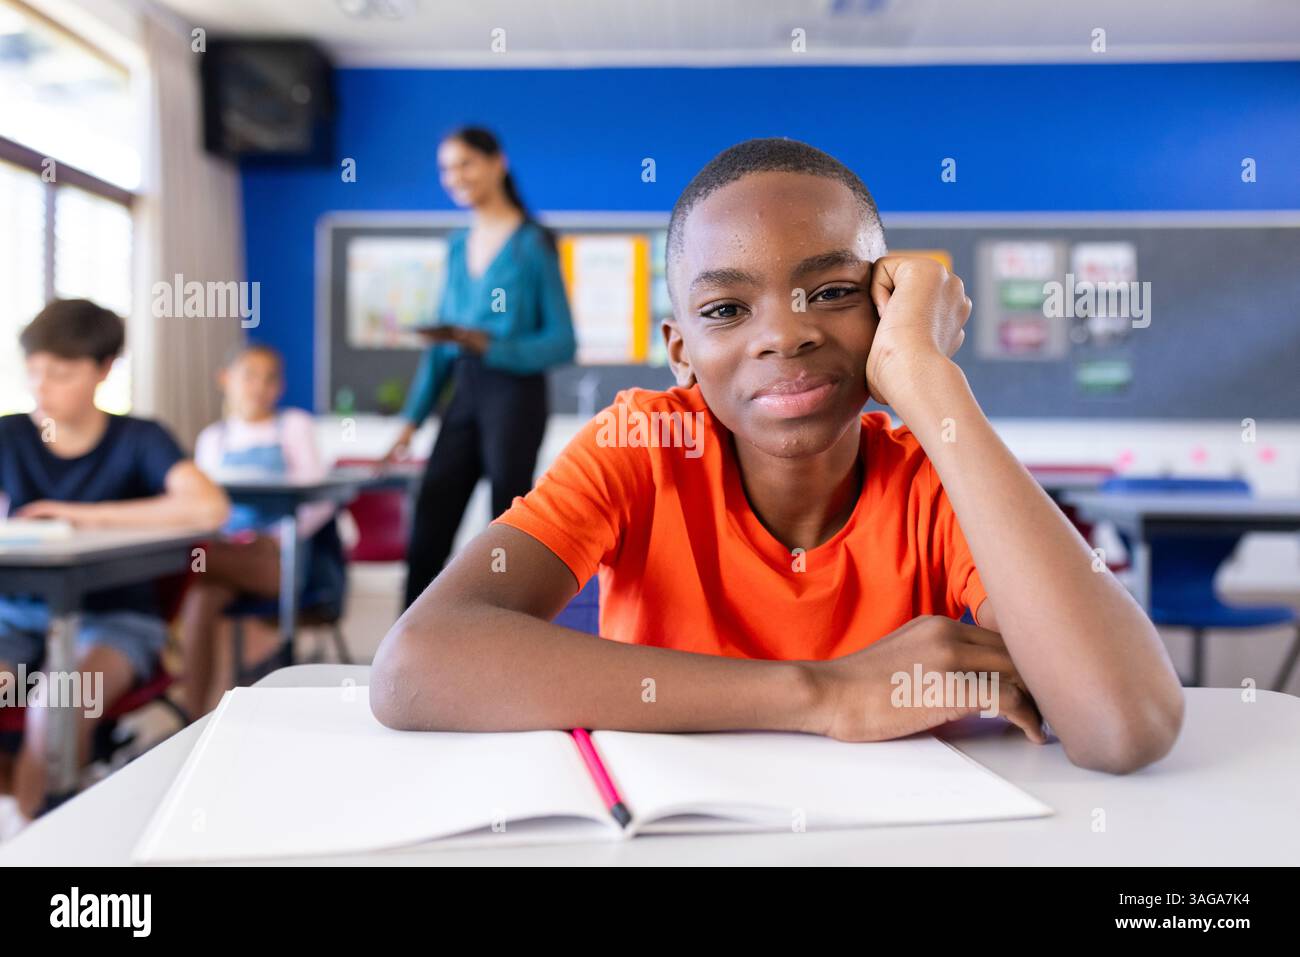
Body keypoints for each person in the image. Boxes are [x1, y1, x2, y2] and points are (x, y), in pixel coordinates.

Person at [369, 138, 1184, 774]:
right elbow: (415, 664)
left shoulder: (934, 475)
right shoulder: (643, 446)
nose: (785, 332)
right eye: (727, 307)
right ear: (680, 352)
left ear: (886, 310)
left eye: (831, 292)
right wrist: (825, 694)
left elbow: (1125, 724)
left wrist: (929, 379)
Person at [0, 299, 228, 819]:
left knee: (55, 708)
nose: (42, 386)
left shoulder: (140, 440)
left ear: (103, 370)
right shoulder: (10, 434)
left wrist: (79, 515)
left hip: (116, 620)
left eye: (60, 374)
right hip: (14, 616)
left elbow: (210, 506)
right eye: (34, 372)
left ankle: (46, 847)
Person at [384, 126, 576, 609]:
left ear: (497, 163)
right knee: (432, 514)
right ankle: (405, 645)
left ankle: (504, 637)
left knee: (504, 521)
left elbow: (562, 342)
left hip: (514, 393)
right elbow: (443, 347)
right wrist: (411, 419)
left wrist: (488, 344)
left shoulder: (532, 243)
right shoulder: (455, 245)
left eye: (465, 163)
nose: (455, 177)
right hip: (463, 390)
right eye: (446, 168)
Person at [182, 343, 340, 716]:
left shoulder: (294, 426)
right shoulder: (212, 439)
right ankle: (193, 720)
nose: (259, 386)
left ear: (279, 387)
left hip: (277, 554)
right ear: (226, 380)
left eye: (270, 378)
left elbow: (319, 500)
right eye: (250, 375)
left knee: (187, 560)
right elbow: (208, 511)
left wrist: (276, 536)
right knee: (199, 599)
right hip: (228, 555)